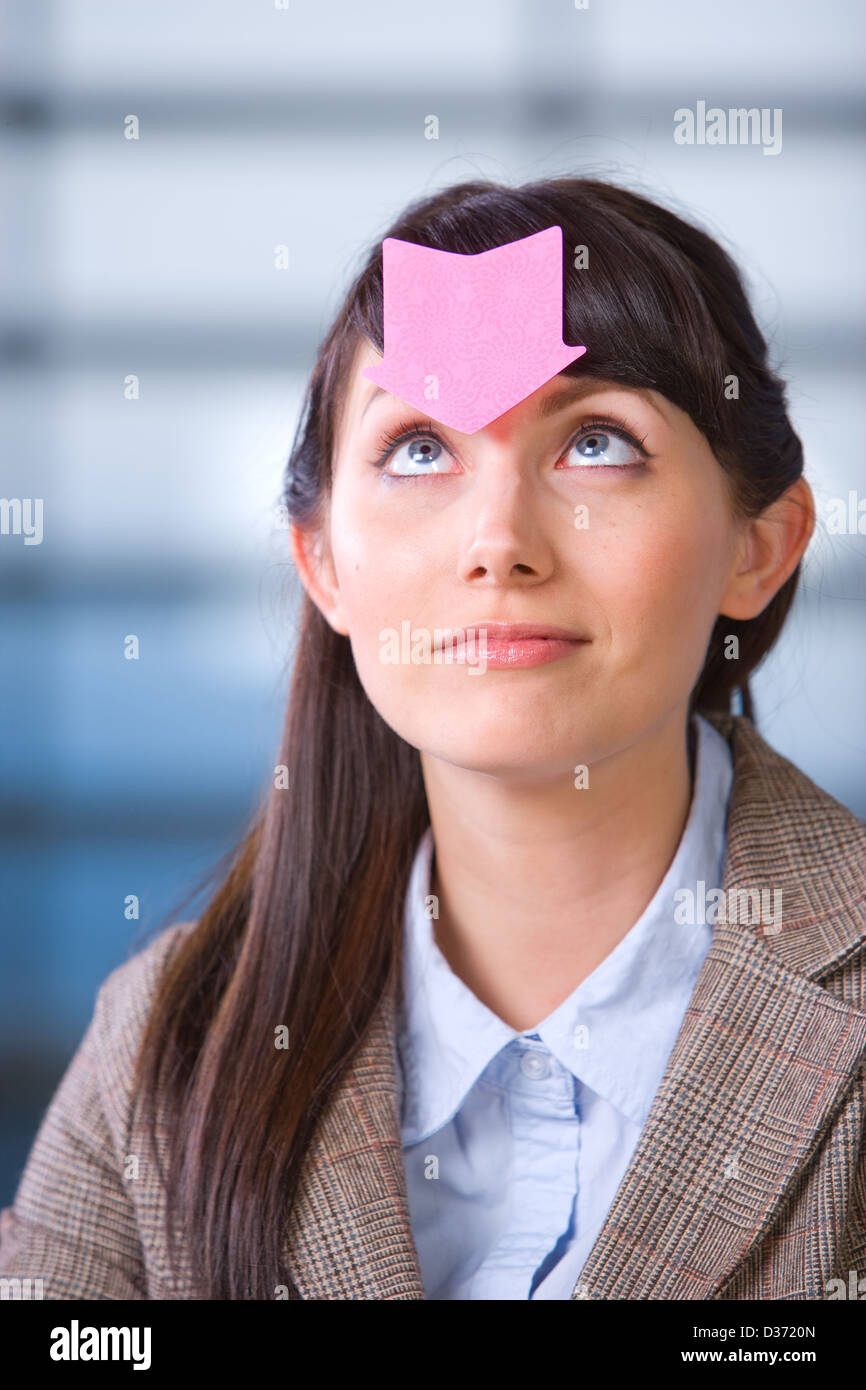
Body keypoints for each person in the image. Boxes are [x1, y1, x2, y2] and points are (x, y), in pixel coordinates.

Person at [2, 176, 864, 1302]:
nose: (496, 542)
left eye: (596, 441)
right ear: (323, 565)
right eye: (418, 450)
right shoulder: (166, 1045)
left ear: (759, 545)